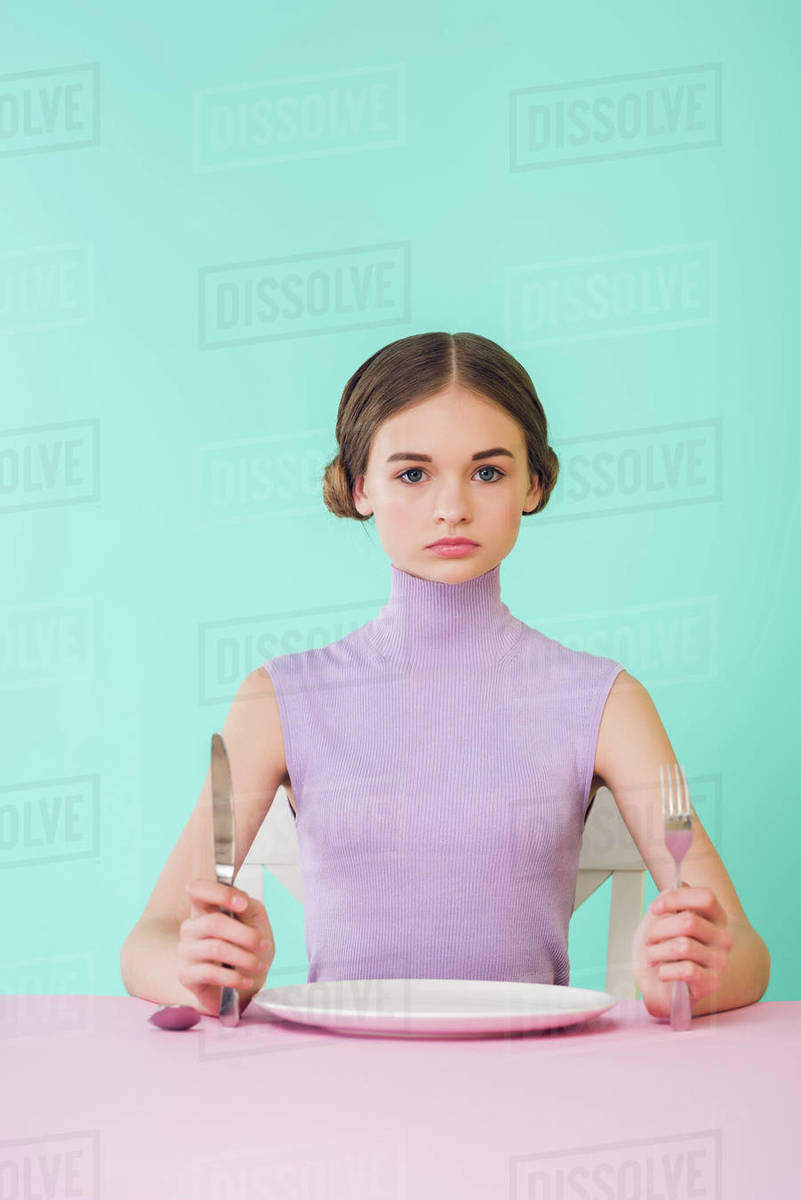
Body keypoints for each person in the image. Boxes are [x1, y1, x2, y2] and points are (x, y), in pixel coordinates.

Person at [120, 331, 770, 1020]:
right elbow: (146, 943)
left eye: (487, 471)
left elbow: (746, 954)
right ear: (357, 485)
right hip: (333, 1089)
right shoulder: (279, 699)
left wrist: (697, 967)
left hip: (538, 1089)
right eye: (412, 473)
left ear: (534, 482)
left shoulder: (606, 701)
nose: (451, 507)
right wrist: (196, 965)